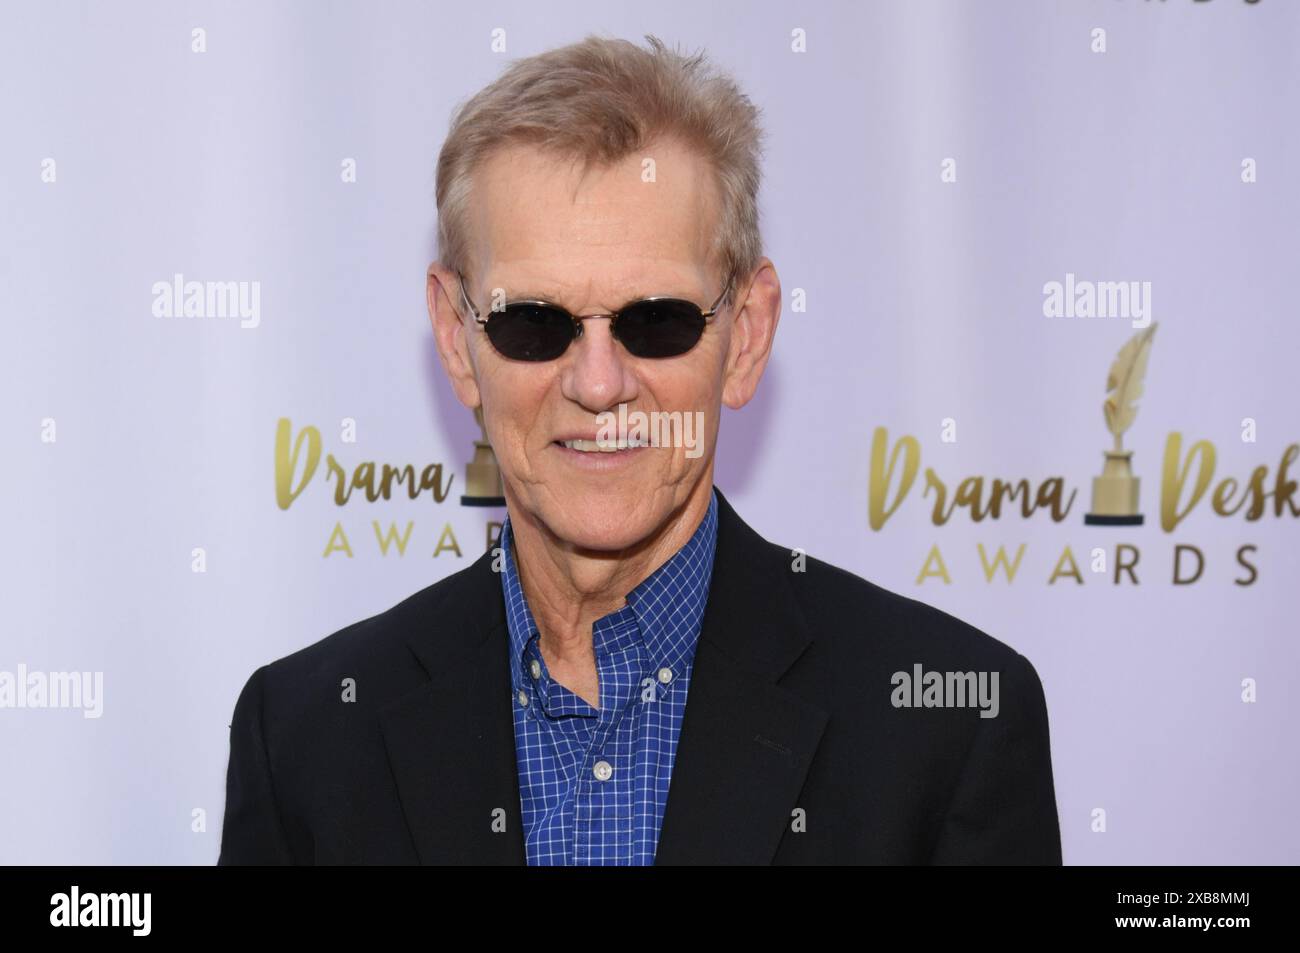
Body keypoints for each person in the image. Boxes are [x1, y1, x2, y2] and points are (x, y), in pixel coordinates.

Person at [219, 33, 1062, 865]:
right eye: (533, 323)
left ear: (747, 335)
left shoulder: (948, 728)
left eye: (656, 321)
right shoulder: (305, 737)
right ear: (454, 335)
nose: (596, 383)